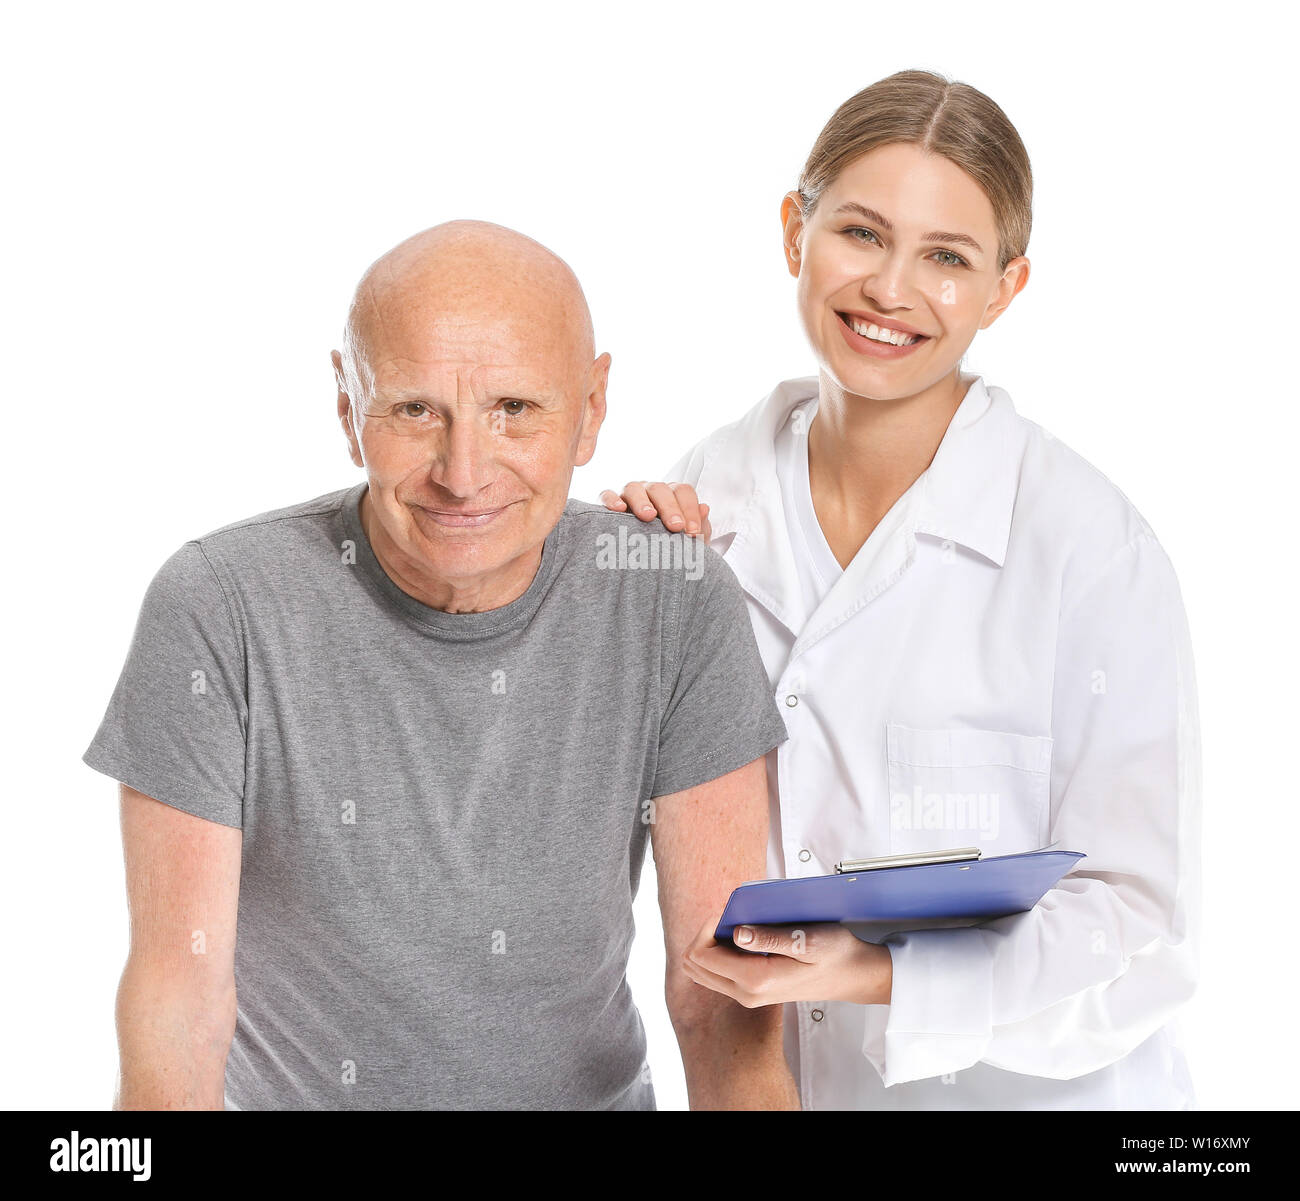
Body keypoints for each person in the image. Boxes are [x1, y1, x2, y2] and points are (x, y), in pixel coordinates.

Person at [84, 220, 799, 1111]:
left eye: (515, 410)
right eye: (417, 409)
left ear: (592, 408)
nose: (464, 474)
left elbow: (719, 1003)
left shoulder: (674, 596)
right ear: (349, 408)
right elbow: (180, 1004)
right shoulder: (217, 605)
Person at [602, 69, 1201, 1109]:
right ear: (795, 231)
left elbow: (1139, 928)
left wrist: (874, 971)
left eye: (946, 258)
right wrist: (618, 576)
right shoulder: (700, 504)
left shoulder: (1088, 547)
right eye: (861, 234)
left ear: (1004, 289)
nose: (889, 290)